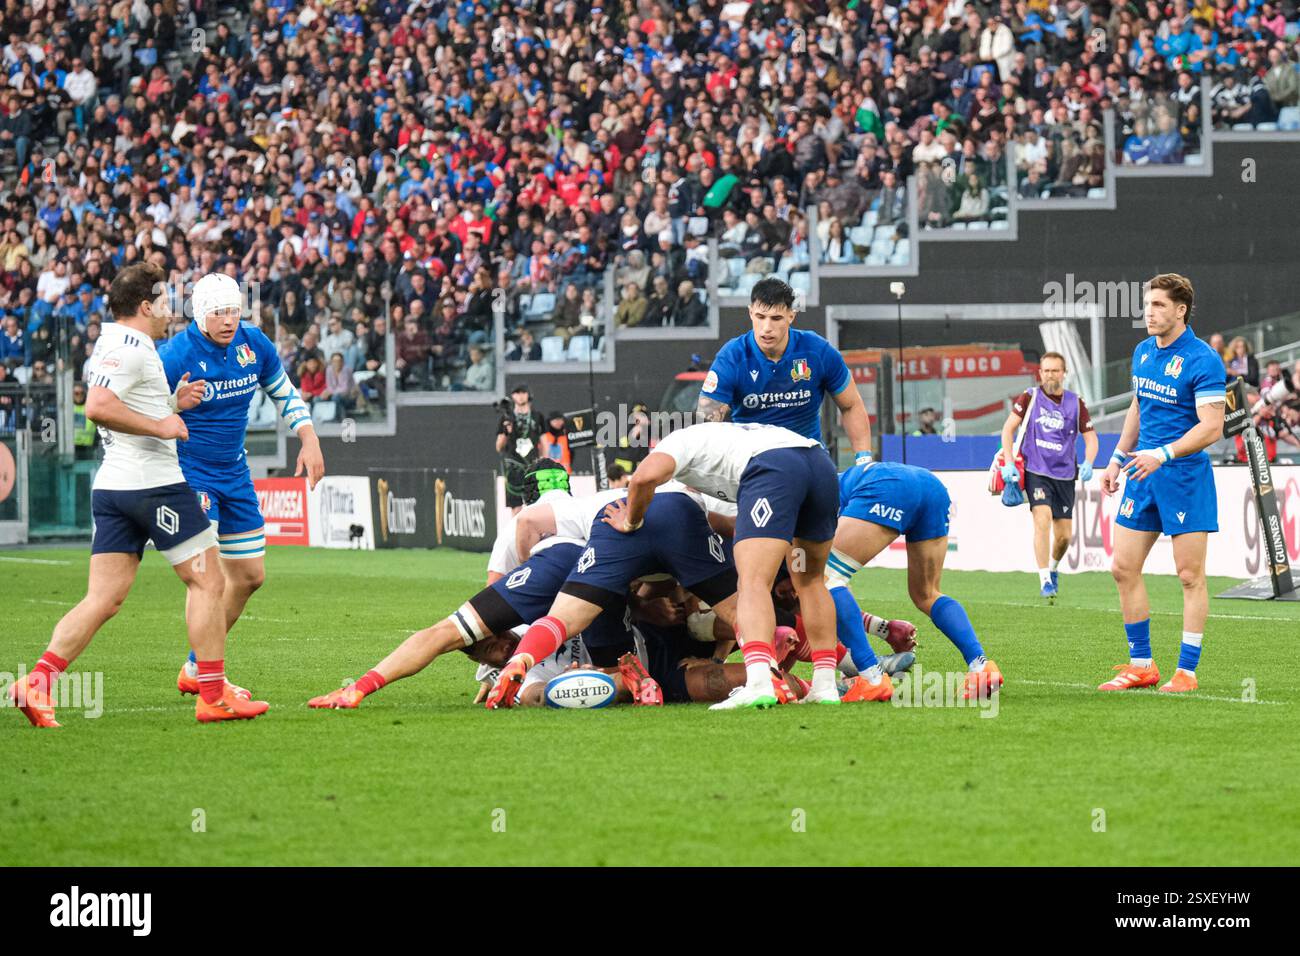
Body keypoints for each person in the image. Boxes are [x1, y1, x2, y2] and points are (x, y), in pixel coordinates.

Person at [8, 263, 268, 727]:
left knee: (103, 599)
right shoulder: (132, 348)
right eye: (165, 301)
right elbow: (98, 407)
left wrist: (172, 404)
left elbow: (119, 402)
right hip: (154, 486)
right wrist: (161, 425)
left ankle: (37, 682)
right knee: (210, 583)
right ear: (146, 306)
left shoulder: (113, 342)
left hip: (113, 488)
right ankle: (211, 695)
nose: (171, 309)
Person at [495, 420, 843, 711]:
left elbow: (643, 479)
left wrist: (631, 520)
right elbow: (730, 524)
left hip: (771, 470)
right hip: (818, 464)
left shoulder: (676, 444)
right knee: (810, 581)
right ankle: (826, 685)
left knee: (752, 583)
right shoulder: (726, 448)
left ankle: (759, 683)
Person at [159, 272, 326, 696]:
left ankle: (195, 667)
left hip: (235, 472)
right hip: (190, 471)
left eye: (234, 310)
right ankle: (211, 679)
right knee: (206, 575)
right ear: (200, 314)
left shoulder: (253, 344)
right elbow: (136, 410)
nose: (228, 320)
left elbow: (284, 392)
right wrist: (172, 403)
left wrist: (309, 438)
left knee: (250, 576)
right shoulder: (174, 355)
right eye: (218, 312)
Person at [1100, 274, 1226, 695]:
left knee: (1189, 575)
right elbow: (1139, 406)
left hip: (1183, 476)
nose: (1149, 313)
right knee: (1122, 568)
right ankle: (1142, 666)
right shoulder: (1142, 352)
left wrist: (1164, 454)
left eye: (1158, 305)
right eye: (1147, 304)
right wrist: (1117, 458)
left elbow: (1212, 427)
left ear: (1180, 310)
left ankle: (1186, 672)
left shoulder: (1203, 359)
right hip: (1142, 473)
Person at [826, 461, 1004, 702]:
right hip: (930, 485)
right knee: (926, 594)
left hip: (886, 486)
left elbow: (820, 597)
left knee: (827, 579)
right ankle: (980, 665)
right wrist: (882, 628)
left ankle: (871, 677)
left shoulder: (794, 509)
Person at [697, 277, 873, 465]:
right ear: (750, 313)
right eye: (760, 317)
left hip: (809, 461)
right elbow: (707, 422)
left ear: (791, 316)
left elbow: (851, 405)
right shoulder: (732, 357)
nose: (767, 328)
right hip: (753, 463)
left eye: (776, 318)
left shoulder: (817, 350)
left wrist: (864, 461)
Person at [998, 352, 1099, 600]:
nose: (1050, 375)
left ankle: (1053, 569)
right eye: (1046, 371)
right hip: (1037, 470)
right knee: (1041, 520)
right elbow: (1008, 429)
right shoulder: (1030, 397)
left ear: (1064, 373)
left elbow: (1091, 438)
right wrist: (1009, 463)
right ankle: (1044, 579)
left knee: (1064, 537)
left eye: (1055, 370)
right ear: (1040, 373)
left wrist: (1089, 462)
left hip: (1065, 474)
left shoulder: (1076, 403)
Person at [495, 383, 546, 513]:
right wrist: (506, 431)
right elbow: (499, 446)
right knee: (516, 507)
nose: (521, 396)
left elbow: (544, 443)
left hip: (532, 465)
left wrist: (544, 463)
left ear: (528, 395)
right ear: (513, 396)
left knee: (535, 505)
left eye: (523, 392)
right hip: (513, 467)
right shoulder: (506, 418)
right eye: (517, 393)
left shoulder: (537, 416)